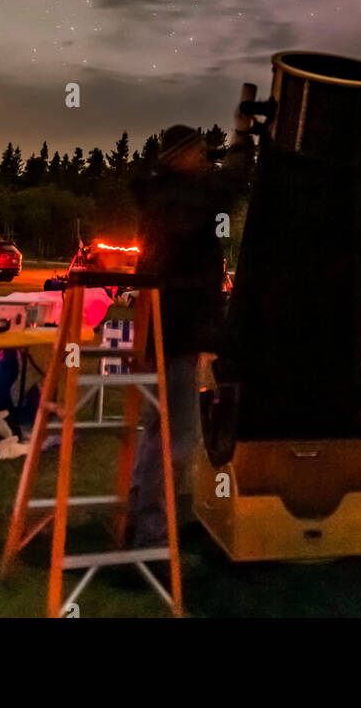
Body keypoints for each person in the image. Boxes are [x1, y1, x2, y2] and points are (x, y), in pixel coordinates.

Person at [127, 124, 247, 547]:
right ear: (178, 155)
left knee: (156, 429)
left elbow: (218, 192)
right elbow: (222, 190)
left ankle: (138, 520)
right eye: (198, 153)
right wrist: (243, 145)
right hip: (171, 330)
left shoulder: (164, 193)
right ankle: (151, 536)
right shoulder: (176, 199)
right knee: (175, 438)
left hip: (166, 327)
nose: (202, 161)